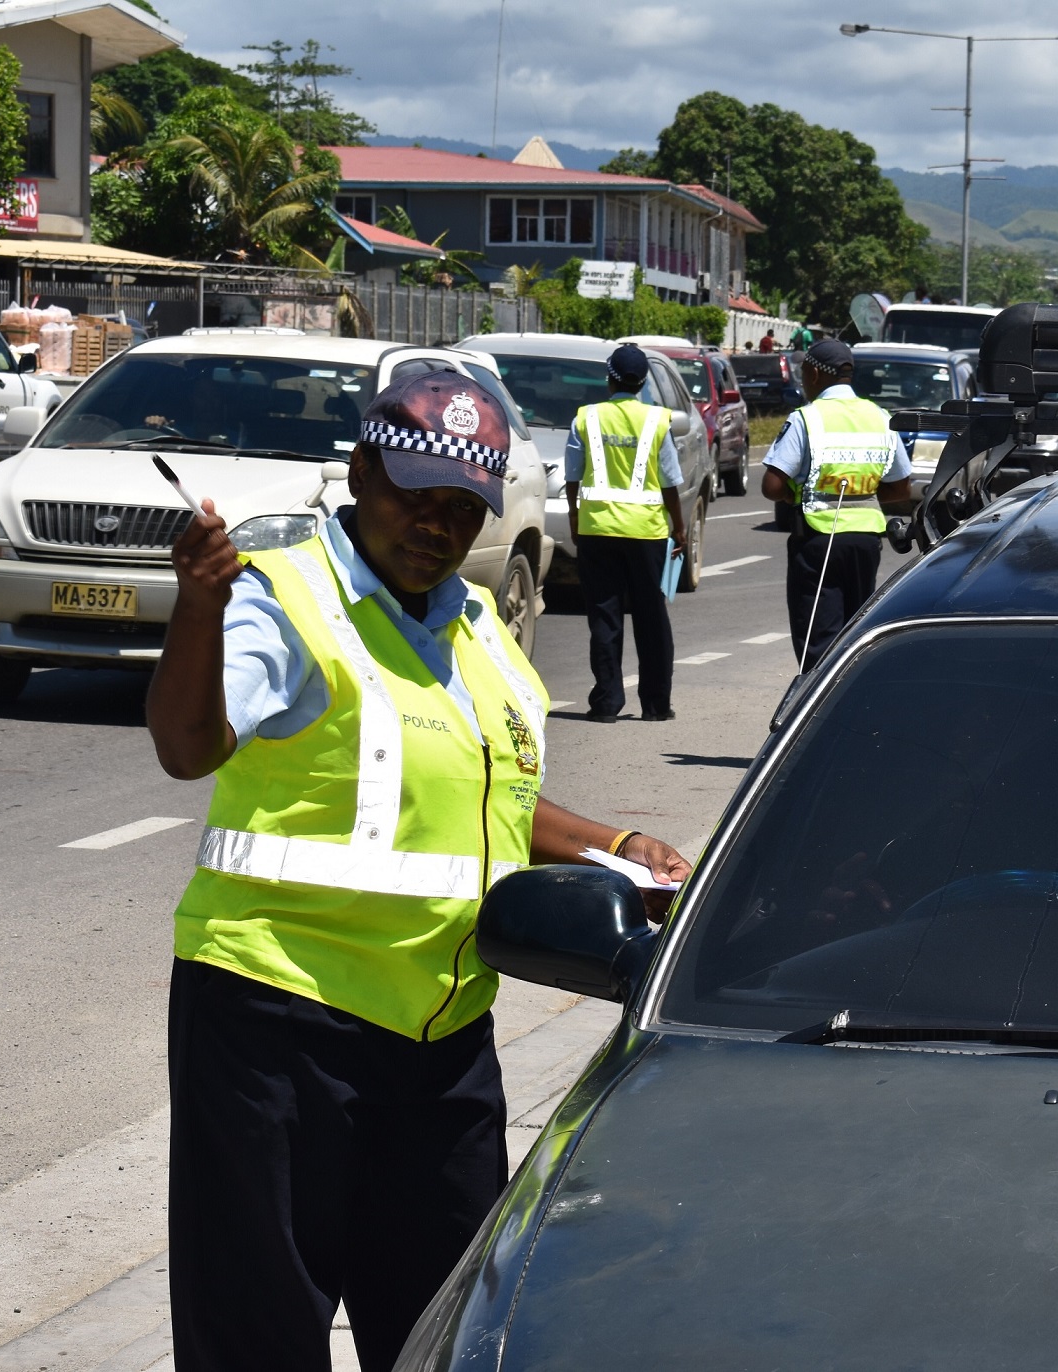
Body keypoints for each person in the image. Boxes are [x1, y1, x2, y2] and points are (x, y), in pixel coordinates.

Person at [148, 370, 692, 1372]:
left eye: (458, 508)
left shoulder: (477, 627)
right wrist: (199, 607)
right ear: (361, 473)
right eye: (411, 496)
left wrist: (610, 846)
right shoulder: (288, 599)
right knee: (258, 1341)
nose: (432, 526)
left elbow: (492, 804)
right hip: (276, 1024)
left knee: (452, 1336)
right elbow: (187, 744)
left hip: (439, 1041)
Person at [759, 339, 916, 670]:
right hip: (866, 541)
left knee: (818, 638)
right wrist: (865, 492)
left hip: (818, 538)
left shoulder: (807, 418)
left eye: (803, 373)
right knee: (855, 635)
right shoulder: (880, 417)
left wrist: (794, 494)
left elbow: (772, 486)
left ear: (814, 374)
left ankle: (814, 711)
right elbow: (901, 487)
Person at [563, 343, 687, 723]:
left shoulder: (586, 418)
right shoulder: (656, 420)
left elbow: (572, 477)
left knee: (605, 616)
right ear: (644, 382)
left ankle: (606, 703)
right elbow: (670, 482)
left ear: (609, 378)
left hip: (597, 529)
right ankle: (655, 705)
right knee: (652, 618)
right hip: (646, 533)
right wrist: (679, 528)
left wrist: (575, 517)